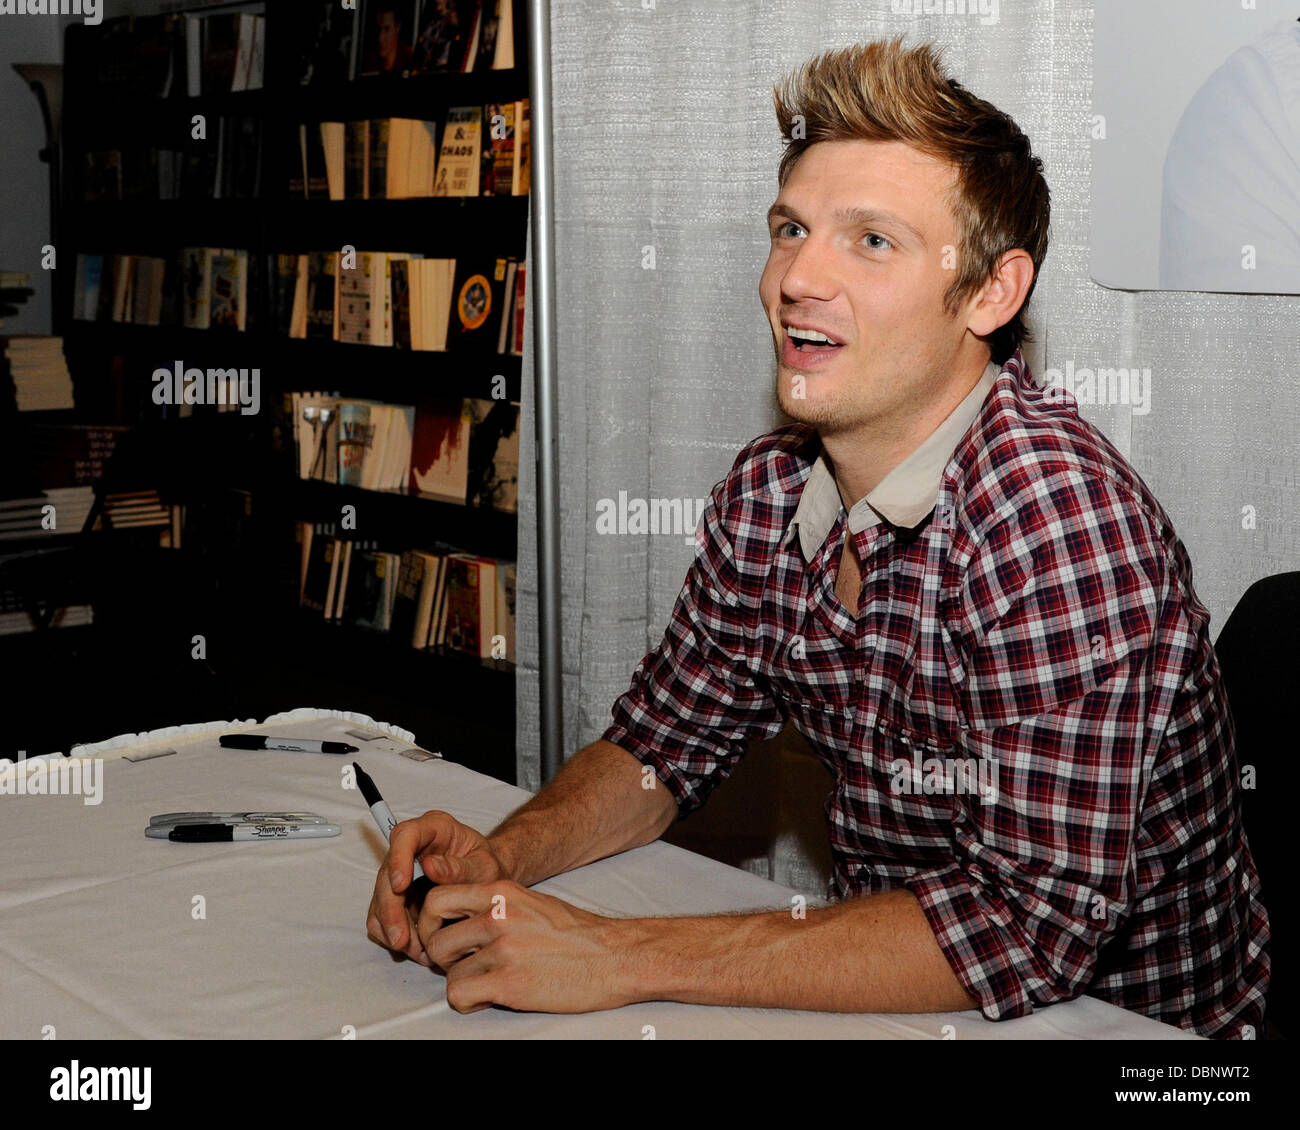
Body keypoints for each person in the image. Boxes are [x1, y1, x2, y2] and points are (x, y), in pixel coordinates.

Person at [367, 37, 1269, 1038]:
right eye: (790, 228)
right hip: (899, 992)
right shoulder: (769, 487)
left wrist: (612, 952)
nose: (798, 276)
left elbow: (1024, 926)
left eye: (870, 240)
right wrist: (504, 856)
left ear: (989, 293)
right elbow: (662, 746)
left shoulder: (1057, 521)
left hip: (1142, 1038)